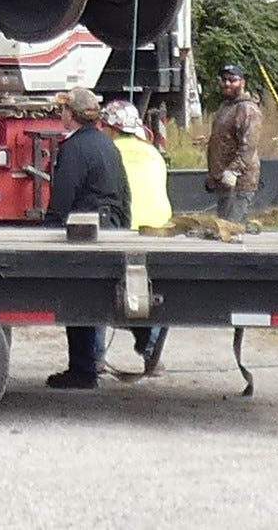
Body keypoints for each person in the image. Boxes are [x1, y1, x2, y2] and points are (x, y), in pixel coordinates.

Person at [44, 85, 132, 390]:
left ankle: (83, 370)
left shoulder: (74, 148)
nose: (60, 115)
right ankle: (92, 361)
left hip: (87, 229)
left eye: (63, 110)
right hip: (111, 224)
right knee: (96, 296)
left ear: (72, 114)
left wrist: (48, 230)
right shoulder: (108, 144)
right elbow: (124, 191)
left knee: (78, 297)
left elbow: (64, 194)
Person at [103, 99, 172, 375]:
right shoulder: (152, 152)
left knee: (101, 290)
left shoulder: (109, 151)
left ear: (111, 128)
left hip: (128, 227)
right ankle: (151, 346)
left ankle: (95, 357)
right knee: (146, 291)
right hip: (159, 226)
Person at [206, 63, 263, 225]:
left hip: (240, 182)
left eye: (233, 80)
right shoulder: (226, 107)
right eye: (224, 80)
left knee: (231, 230)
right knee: (222, 229)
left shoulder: (248, 109)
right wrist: (213, 174)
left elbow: (248, 146)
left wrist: (233, 171)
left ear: (243, 82)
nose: (227, 84)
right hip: (222, 180)